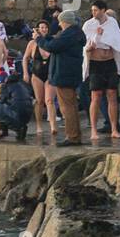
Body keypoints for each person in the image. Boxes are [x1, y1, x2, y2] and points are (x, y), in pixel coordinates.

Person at [82, 0, 120, 142]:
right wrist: (96, 38)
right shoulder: (89, 25)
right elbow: (86, 46)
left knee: (112, 94)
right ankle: (94, 130)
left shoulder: (112, 23)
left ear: (103, 10)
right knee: (96, 96)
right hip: (96, 63)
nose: (93, 13)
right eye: (92, 10)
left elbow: (118, 41)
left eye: (95, 10)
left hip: (110, 63)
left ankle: (114, 129)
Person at [41, 10, 86, 145]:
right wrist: (46, 37)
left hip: (64, 73)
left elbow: (53, 47)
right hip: (71, 73)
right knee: (71, 105)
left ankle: (72, 136)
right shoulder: (75, 33)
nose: (59, 23)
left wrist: (39, 39)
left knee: (67, 106)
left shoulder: (69, 33)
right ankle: (75, 135)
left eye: (60, 21)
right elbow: (56, 41)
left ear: (64, 21)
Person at [0, 67, 34, 141]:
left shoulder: (5, 86)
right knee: (6, 106)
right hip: (25, 119)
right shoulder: (23, 85)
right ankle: (18, 129)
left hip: (15, 117)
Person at [24, 20, 57, 135]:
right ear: (38, 29)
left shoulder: (52, 41)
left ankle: (53, 126)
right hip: (37, 74)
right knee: (39, 100)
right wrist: (25, 73)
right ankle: (38, 125)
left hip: (49, 74)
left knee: (49, 100)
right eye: (41, 28)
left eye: (45, 27)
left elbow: (52, 54)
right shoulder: (32, 43)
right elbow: (25, 58)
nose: (43, 29)